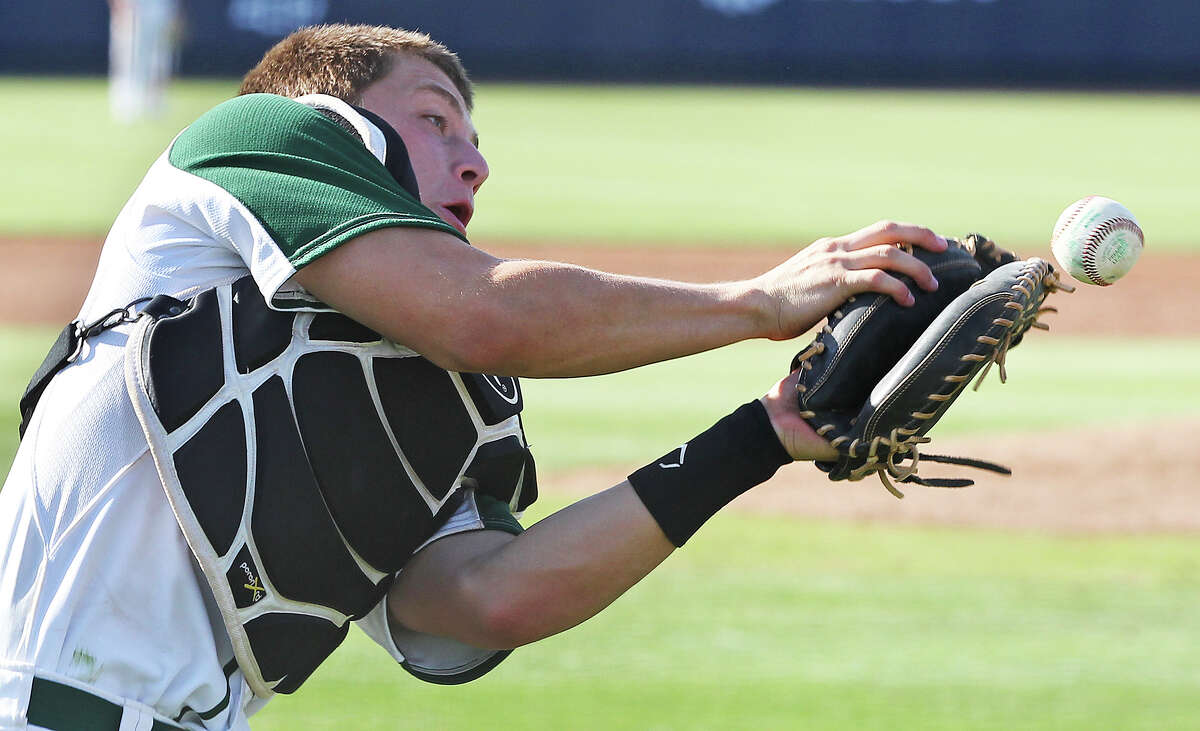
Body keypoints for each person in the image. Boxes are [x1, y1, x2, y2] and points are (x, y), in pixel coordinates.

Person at [0, 24, 947, 730]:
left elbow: (487, 597)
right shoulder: (260, 133)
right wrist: (759, 301)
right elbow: (482, 314)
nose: (476, 160)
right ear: (338, 117)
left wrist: (760, 435)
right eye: (434, 119)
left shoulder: (424, 387)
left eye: (473, 135)